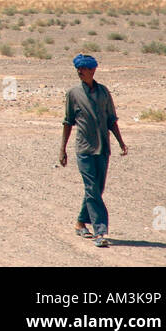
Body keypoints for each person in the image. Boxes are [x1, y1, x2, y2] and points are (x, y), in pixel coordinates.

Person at [59, 54, 128, 247]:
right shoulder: (73, 94)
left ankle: (80, 222)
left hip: (103, 148)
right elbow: (67, 122)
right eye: (78, 69)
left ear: (93, 70)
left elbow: (112, 120)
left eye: (84, 69)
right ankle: (100, 232)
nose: (80, 72)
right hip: (84, 149)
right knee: (91, 189)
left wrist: (121, 142)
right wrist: (62, 149)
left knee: (97, 190)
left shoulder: (104, 92)